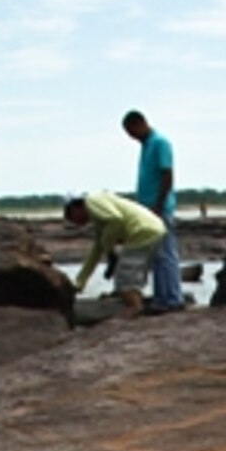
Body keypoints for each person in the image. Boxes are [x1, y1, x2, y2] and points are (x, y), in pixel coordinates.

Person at [122, 110, 185, 312]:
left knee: (166, 254)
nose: (132, 137)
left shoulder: (159, 142)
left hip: (160, 208)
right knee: (156, 255)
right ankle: (161, 297)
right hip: (147, 210)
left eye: (131, 132)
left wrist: (158, 205)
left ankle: (173, 299)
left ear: (139, 124)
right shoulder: (146, 145)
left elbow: (167, 174)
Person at [63, 191, 169, 313]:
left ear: (75, 207)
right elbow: (96, 251)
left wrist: (108, 248)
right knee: (129, 274)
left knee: (125, 276)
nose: (75, 223)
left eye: (71, 216)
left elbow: (116, 219)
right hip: (152, 228)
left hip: (142, 230)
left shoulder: (91, 202)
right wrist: (80, 282)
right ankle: (131, 301)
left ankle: (135, 309)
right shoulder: (99, 216)